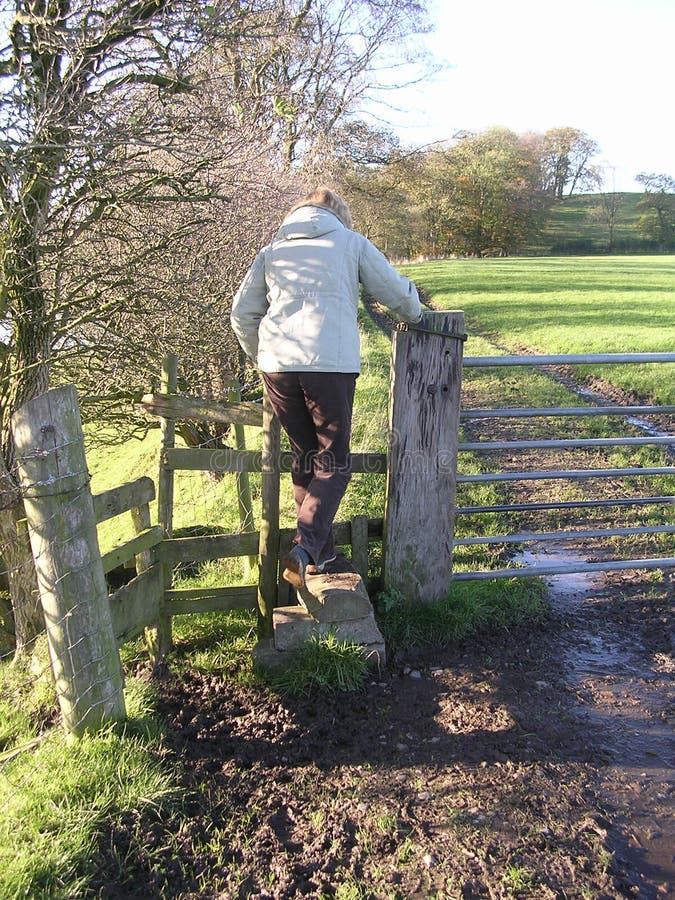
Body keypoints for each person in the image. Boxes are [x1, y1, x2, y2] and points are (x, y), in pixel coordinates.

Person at [230, 187, 422, 589]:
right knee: (334, 461)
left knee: (306, 457)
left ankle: (319, 553)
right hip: (329, 368)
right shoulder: (350, 244)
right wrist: (416, 312)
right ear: (338, 215)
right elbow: (393, 292)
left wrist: (262, 357)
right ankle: (304, 549)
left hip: (278, 367)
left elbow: (241, 314)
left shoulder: (273, 251)